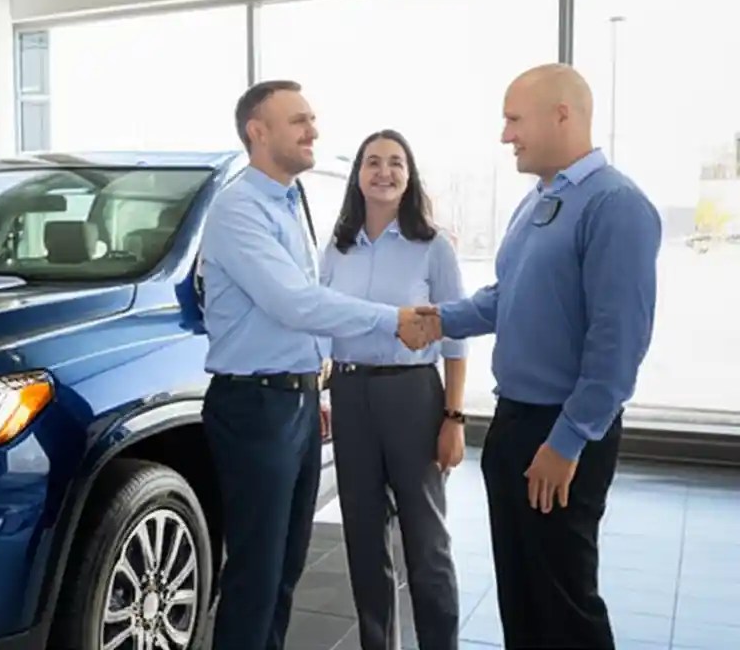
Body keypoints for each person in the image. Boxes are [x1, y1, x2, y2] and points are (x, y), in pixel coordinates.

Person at [418, 63, 662, 649]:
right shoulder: (537, 203)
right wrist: (435, 320)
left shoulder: (616, 205)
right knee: (522, 594)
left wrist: (569, 439)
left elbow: (618, 341)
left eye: (514, 119)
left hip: (561, 433)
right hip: (515, 423)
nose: (506, 135)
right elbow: (508, 298)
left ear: (563, 114)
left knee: (563, 601)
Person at [198, 79, 435, 650]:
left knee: (285, 568)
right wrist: (391, 319)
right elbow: (294, 303)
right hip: (255, 406)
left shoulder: (287, 203)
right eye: (299, 121)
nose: (314, 131)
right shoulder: (239, 210)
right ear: (259, 131)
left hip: (294, 402)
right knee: (256, 572)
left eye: (312, 119)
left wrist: (313, 385)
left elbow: (302, 304)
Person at [320, 129, 467, 650]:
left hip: (413, 398)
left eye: (396, 163)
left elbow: (455, 339)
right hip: (350, 396)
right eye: (373, 162)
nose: (384, 172)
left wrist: (453, 419)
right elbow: (320, 321)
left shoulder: (433, 247)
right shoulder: (336, 250)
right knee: (363, 540)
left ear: (410, 175)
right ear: (357, 175)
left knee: (426, 544)